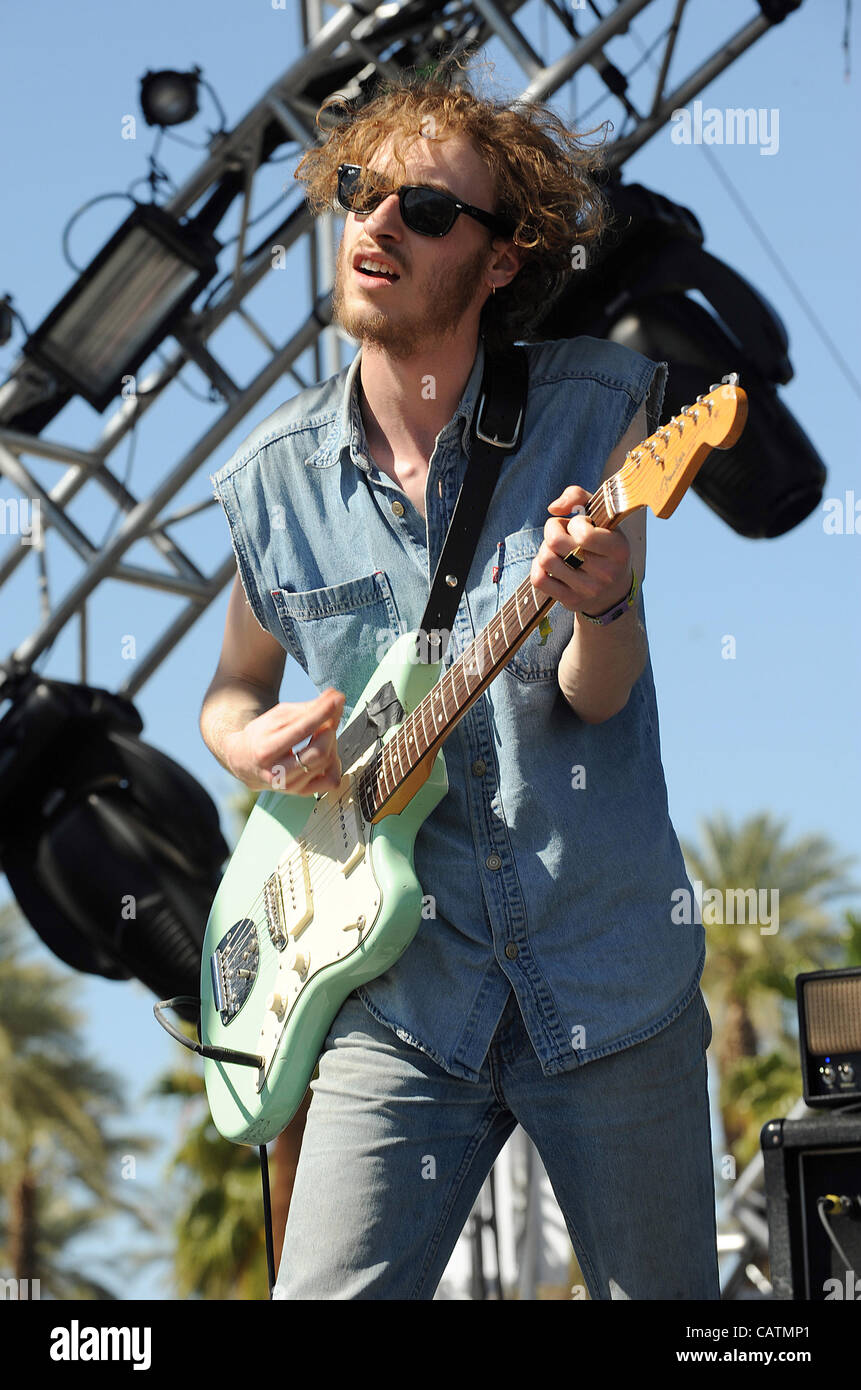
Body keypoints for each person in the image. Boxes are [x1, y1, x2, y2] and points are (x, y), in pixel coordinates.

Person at [200, 65, 718, 1301]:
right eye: (359, 192)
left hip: (604, 976)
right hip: (394, 994)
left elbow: (597, 695)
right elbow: (228, 691)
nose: (377, 223)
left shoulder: (596, 411)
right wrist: (250, 742)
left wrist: (606, 600)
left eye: (425, 210)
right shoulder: (271, 481)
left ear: (500, 258)